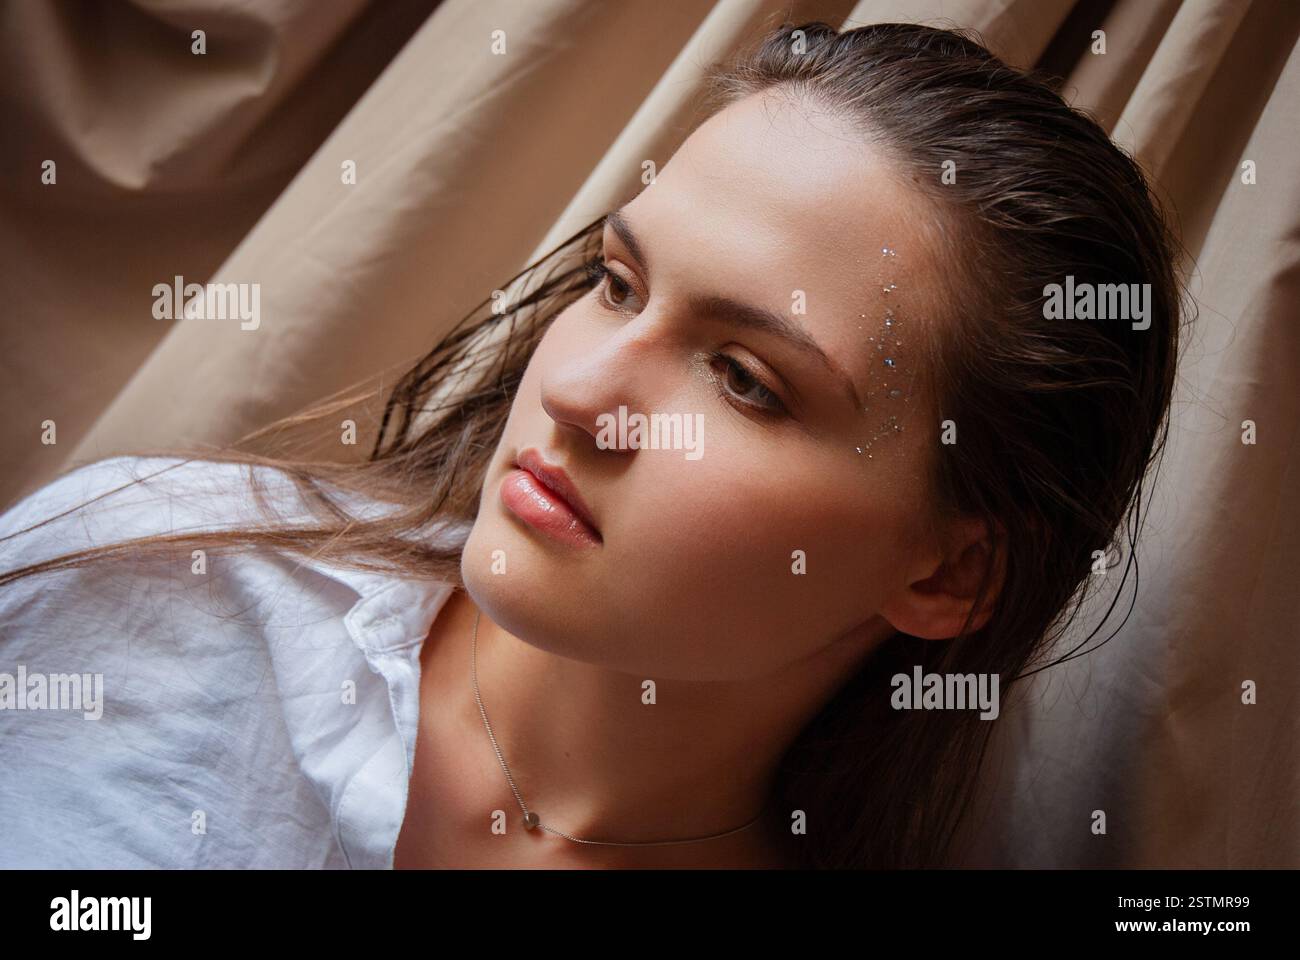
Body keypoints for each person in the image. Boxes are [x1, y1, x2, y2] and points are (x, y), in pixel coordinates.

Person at [0, 20, 1188, 869]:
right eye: (617, 284)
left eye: (742, 379)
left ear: (949, 572)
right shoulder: (134, 577)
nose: (573, 389)